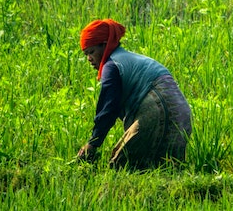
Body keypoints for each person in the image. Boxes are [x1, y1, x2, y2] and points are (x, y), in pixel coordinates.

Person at [76, 19, 192, 170]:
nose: (89, 59)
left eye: (91, 52)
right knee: (165, 168)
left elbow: (108, 109)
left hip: (159, 105)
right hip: (182, 112)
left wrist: (93, 143)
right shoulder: (128, 59)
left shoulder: (112, 66)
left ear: (105, 45)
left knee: (122, 167)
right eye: (86, 54)